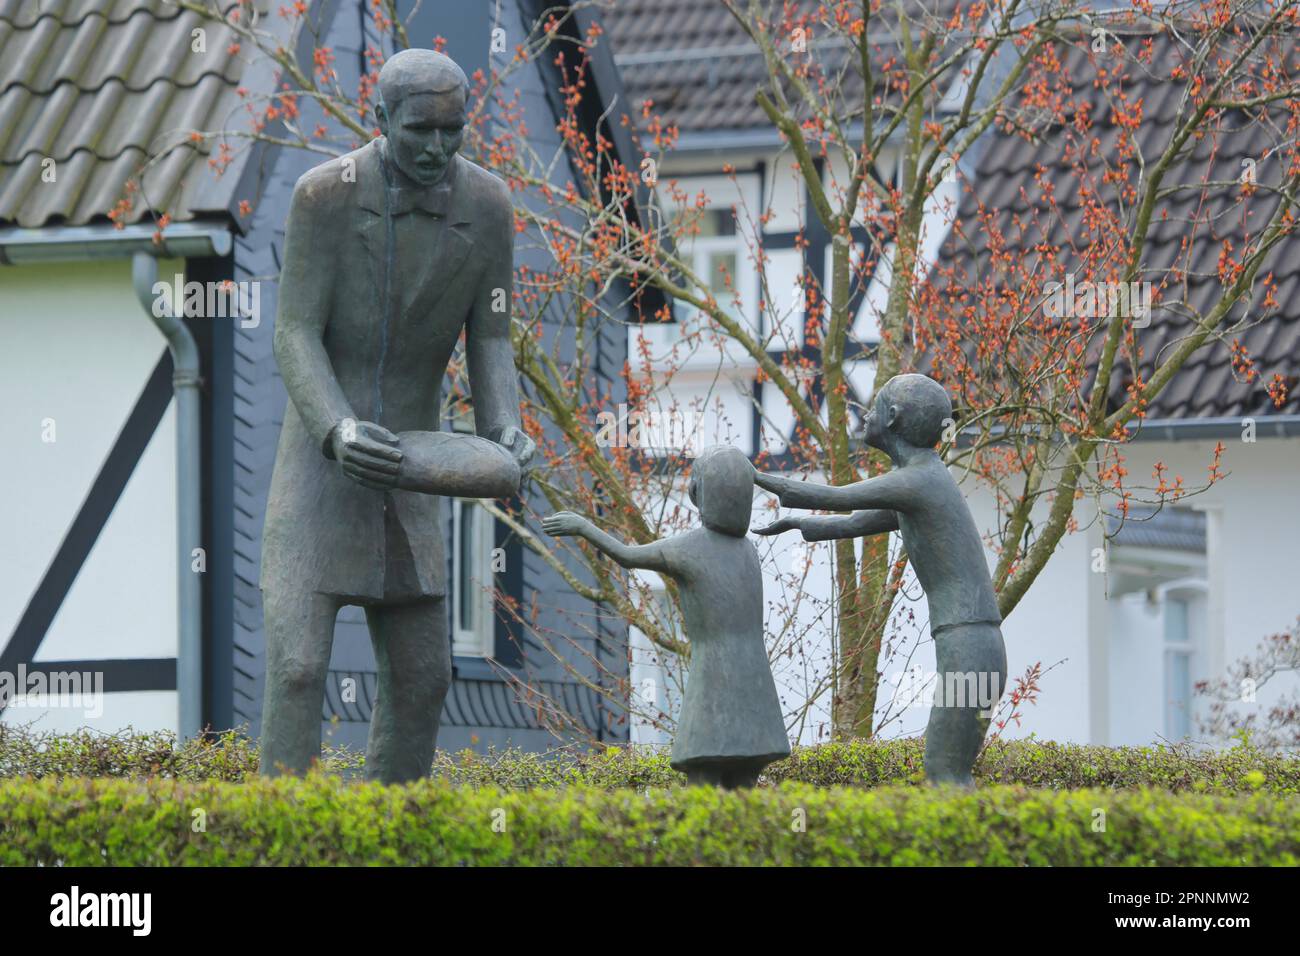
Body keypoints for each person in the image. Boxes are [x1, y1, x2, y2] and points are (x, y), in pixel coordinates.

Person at [258, 49, 533, 784]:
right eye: (420, 130)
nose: (437, 148)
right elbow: (293, 334)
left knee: (423, 679)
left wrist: (502, 427)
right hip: (323, 466)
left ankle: (392, 838)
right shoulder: (324, 197)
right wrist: (338, 428)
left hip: (415, 468)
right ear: (380, 121)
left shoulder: (489, 206)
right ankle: (277, 842)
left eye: (453, 131)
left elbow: (495, 335)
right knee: (295, 667)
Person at [754, 373, 1006, 787]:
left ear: (891, 418)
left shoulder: (918, 481)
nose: (863, 414)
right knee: (946, 772)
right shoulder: (918, 483)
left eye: (873, 407)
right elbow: (854, 520)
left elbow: (836, 495)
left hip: (969, 640)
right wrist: (798, 524)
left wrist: (755, 476)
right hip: (970, 640)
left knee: (946, 773)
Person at [543, 445, 790, 788]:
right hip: (756, 682)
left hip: (715, 679)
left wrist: (584, 527)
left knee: (704, 781)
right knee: (746, 784)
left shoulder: (691, 547)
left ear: (698, 493)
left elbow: (627, 556)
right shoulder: (748, 551)